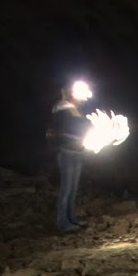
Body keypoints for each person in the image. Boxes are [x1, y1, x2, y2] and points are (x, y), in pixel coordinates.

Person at [46, 80, 92, 232]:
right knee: (66, 189)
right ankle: (63, 223)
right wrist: (76, 139)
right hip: (66, 153)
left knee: (73, 189)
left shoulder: (76, 111)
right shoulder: (62, 110)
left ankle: (71, 219)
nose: (82, 98)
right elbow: (60, 132)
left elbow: (80, 131)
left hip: (77, 152)